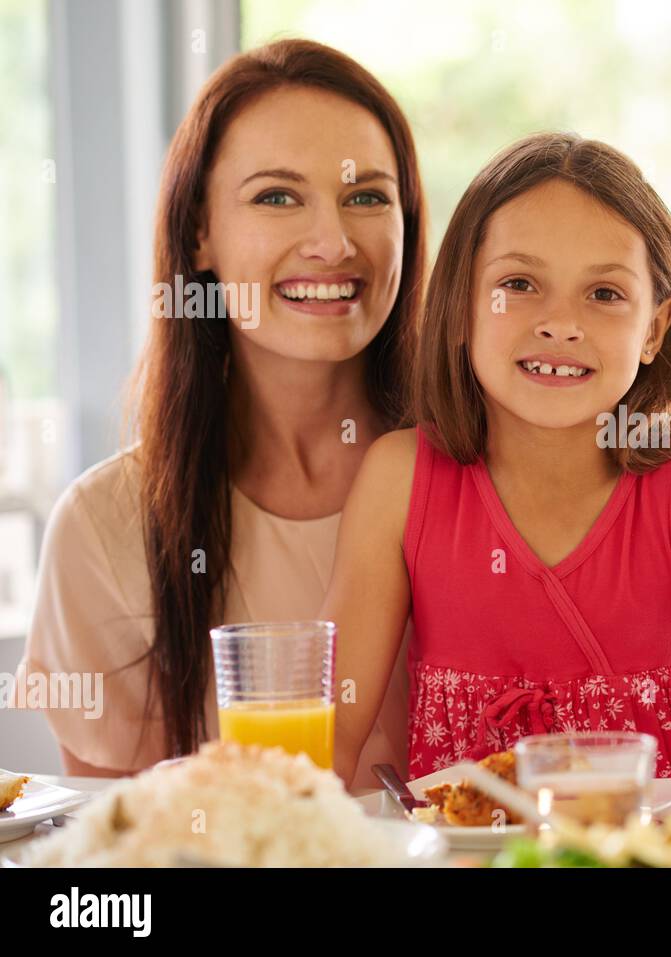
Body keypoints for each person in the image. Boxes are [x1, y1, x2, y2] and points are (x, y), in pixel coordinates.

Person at [327, 133, 671, 824]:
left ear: (656, 327)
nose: (561, 323)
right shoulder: (400, 480)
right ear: (459, 305)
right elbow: (324, 736)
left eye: (604, 293)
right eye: (519, 284)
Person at [14, 40, 425, 788]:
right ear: (199, 233)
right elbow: (129, 845)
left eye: (367, 195)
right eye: (276, 196)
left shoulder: (482, 476)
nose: (333, 241)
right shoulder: (106, 530)